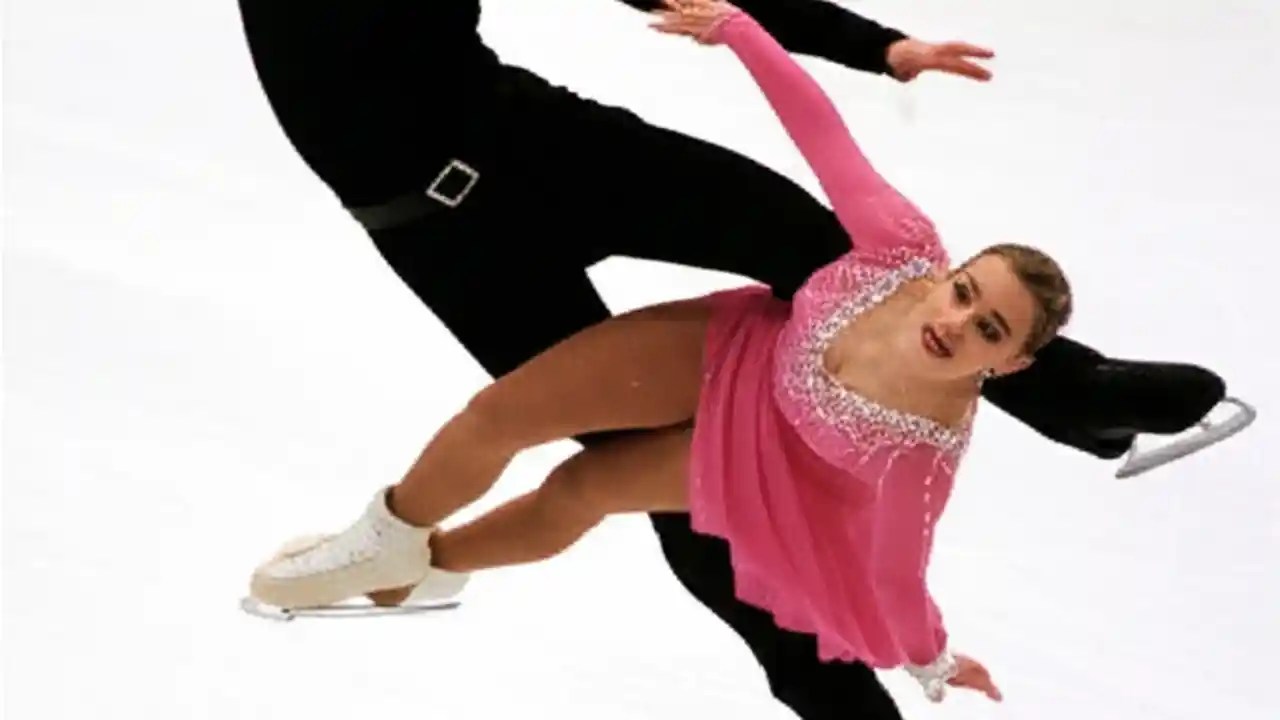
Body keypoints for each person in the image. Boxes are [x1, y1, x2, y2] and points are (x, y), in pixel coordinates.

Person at [233, 0, 1236, 717]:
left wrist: (872, 44)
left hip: (544, 143)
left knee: (830, 253)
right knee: (665, 487)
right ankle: (817, 684)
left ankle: (1073, 392)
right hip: (438, 232)